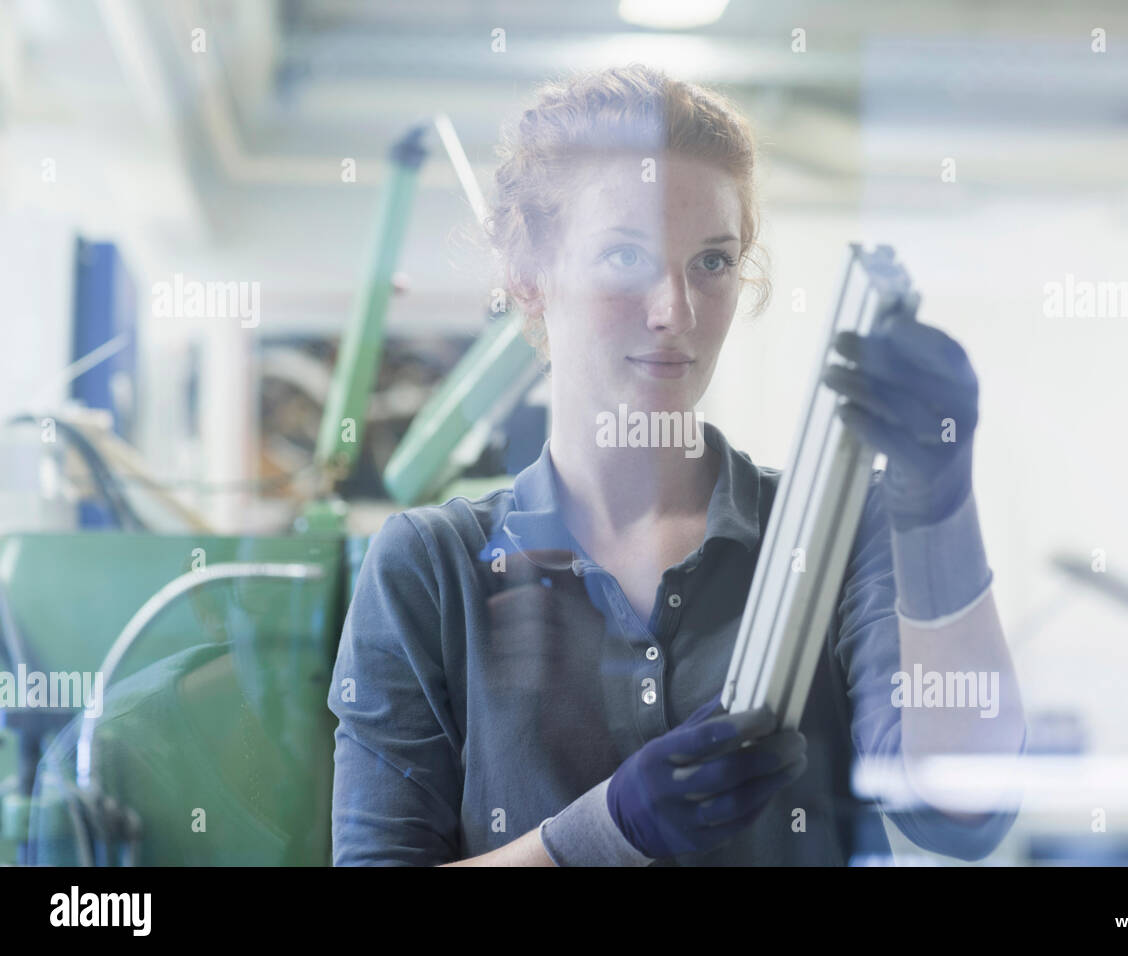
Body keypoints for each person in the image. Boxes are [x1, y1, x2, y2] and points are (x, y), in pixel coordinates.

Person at [327, 63, 1027, 867]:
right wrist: (604, 835)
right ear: (529, 275)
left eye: (712, 262)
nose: (676, 312)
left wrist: (937, 511)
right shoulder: (431, 568)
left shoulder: (833, 530)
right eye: (626, 257)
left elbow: (961, 810)